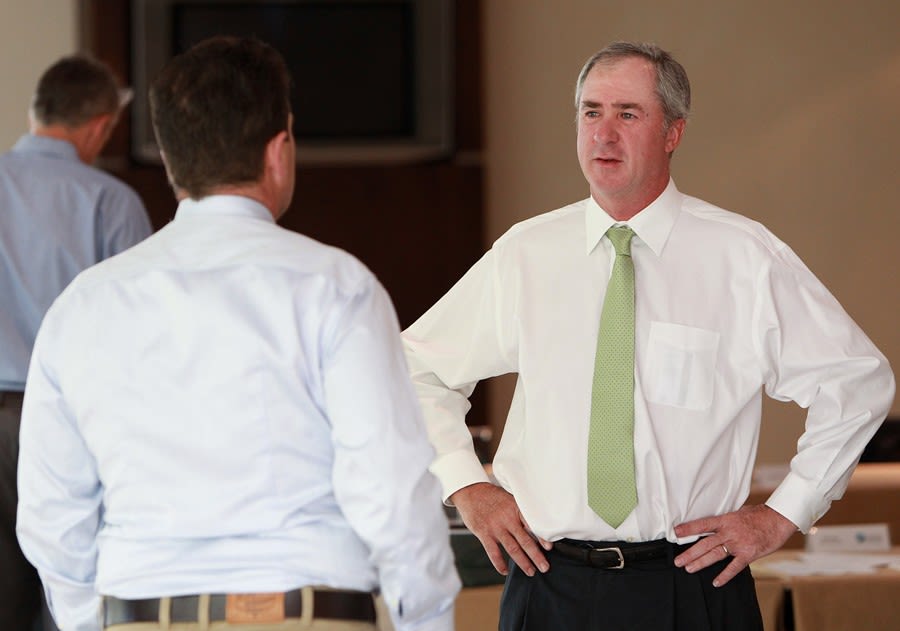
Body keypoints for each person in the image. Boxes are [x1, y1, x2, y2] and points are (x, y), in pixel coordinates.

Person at [401, 41, 895, 629]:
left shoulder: (742, 257)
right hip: (549, 588)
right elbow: (414, 369)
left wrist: (783, 514)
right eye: (591, 112)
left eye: (628, 114)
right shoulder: (526, 253)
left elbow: (856, 383)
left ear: (673, 133)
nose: (603, 133)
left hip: (693, 586)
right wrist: (466, 486)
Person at [16, 36, 459, 631]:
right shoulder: (336, 287)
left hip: (138, 610)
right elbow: (392, 490)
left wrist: (92, 620)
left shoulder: (82, 305)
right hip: (308, 610)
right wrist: (424, 619)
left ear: (170, 161)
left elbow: (52, 513)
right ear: (279, 150)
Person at [0, 54, 151, 630]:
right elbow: (137, 336)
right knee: (65, 587)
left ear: (35, 113)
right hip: (64, 420)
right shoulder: (111, 201)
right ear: (100, 126)